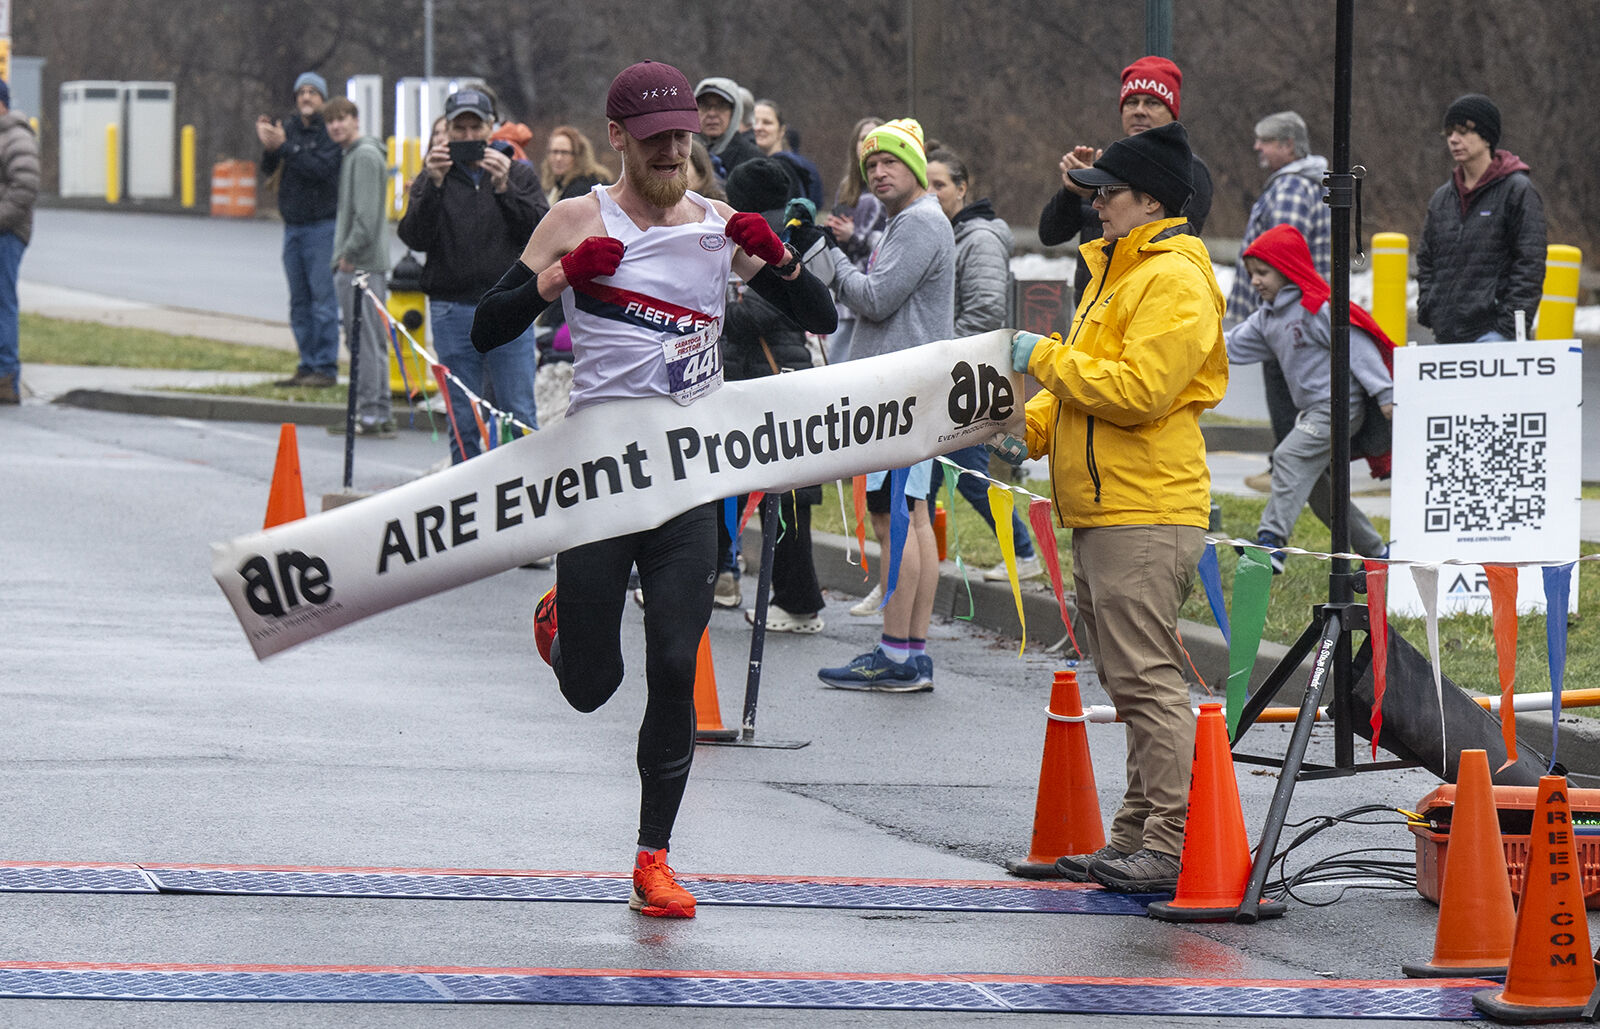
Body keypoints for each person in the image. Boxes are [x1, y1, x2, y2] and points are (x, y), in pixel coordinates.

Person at [469, 60, 835, 918]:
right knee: (591, 685)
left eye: (684, 136)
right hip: (601, 477)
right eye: (656, 137)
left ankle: (653, 860)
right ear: (619, 140)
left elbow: (816, 317)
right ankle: (561, 627)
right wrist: (556, 280)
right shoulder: (572, 217)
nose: (674, 150)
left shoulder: (717, 226)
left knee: (676, 663)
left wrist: (776, 258)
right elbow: (490, 326)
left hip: (689, 480)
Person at [1011, 122, 1228, 893]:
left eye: (1109, 192)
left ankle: (1170, 840)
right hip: (1108, 511)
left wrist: (1039, 356)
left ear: (1151, 200)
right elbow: (1086, 386)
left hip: (1145, 509)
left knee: (1145, 679)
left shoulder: (1172, 278)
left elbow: (1139, 393)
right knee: (1128, 675)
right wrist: (1028, 430)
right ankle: (1137, 831)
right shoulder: (1119, 270)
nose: (1096, 203)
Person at [816, 118, 954, 693]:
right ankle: (910, 650)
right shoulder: (915, 221)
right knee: (913, 516)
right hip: (912, 386)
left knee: (903, 519)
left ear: (915, 167)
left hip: (905, 390)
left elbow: (874, 300)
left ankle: (896, 654)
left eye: (889, 162)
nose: (877, 172)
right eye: (870, 164)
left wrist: (827, 260)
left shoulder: (920, 223)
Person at [1226, 224, 1392, 572]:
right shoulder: (1266, 318)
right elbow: (1226, 346)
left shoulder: (1316, 307)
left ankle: (1271, 544)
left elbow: (1358, 348)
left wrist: (1385, 393)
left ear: (1287, 269)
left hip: (1340, 407)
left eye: (1263, 272)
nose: (1255, 281)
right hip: (1313, 412)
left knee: (1286, 457)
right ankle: (1377, 554)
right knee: (1320, 491)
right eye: (1251, 274)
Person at [398, 86, 547, 463]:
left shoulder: (518, 173)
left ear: (491, 129)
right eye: (458, 129)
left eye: (474, 128)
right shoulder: (433, 176)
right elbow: (413, 236)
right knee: (463, 419)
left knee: (518, 412)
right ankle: (468, 501)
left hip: (508, 307)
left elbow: (540, 232)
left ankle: (523, 493)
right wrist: (431, 184)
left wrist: (503, 188)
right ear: (446, 131)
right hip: (452, 310)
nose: (467, 137)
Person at [924, 146, 1040, 582]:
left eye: (941, 185)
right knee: (926, 476)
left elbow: (986, 309)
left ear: (962, 188)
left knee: (968, 472)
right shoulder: (946, 233)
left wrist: (942, 355)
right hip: (947, 374)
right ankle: (907, 570)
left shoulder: (980, 238)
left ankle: (1025, 554)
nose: (933, 194)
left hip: (965, 375)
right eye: (927, 185)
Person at [722, 158, 828, 633]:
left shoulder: (774, 240)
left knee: (788, 500)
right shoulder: (783, 228)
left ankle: (799, 602)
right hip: (773, 376)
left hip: (780, 376)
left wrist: (716, 308)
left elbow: (762, 311)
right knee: (775, 498)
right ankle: (788, 595)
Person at [1037, 56, 1213, 305]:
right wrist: (1073, 190)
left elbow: (1164, 232)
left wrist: (1096, 193)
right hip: (1093, 308)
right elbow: (1050, 234)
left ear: (1172, 112)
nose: (1139, 110)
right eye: (1131, 102)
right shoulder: (1109, 165)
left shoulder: (1190, 170)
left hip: (1138, 303)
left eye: (1152, 103)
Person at [1226, 110, 1332, 491]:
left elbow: (1280, 254)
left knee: (1285, 394)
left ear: (1288, 146)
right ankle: (1297, 469)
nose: (1258, 147)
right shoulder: (1301, 184)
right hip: (1295, 311)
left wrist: (1272, 309)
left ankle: (1286, 472)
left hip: (1287, 313)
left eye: (1266, 140)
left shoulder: (1289, 189)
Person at [1416, 93, 1546, 344]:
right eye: (1450, 132)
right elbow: (1427, 260)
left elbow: (1530, 264)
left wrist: (1507, 326)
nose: (1454, 140)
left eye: (1464, 131)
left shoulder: (1517, 191)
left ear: (1486, 136)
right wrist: (1431, 308)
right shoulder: (1443, 198)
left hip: (1495, 335)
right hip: (1448, 336)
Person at [257, 71, 342, 388]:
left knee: (323, 301)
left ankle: (326, 367)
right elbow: (268, 169)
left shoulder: (330, 132)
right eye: (301, 92)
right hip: (292, 226)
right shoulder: (288, 128)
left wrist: (286, 148)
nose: (306, 97)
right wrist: (269, 147)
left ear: (322, 98)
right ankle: (306, 364)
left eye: (313, 92)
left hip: (322, 226)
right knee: (299, 302)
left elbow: (321, 170)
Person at [322, 96, 394, 437]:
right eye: (330, 121)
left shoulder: (363, 156)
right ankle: (378, 412)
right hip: (366, 264)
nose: (336, 126)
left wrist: (347, 256)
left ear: (355, 120)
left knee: (364, 341)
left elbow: (364, 219)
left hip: (361, 265)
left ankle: (370, 415)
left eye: (342, 118)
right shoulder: (355, 155)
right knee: (371, 340)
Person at [823, 117, 884, 368]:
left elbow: (885, 241)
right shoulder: (847, 188)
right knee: (838, 361)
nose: (868, 143)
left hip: (872, 284)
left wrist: (855, 235)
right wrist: (833, 231)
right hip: (844, 289)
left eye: (874, 136)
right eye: (862, 138)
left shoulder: (886, 192)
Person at [0, 78, 39, 405]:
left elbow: (25, 186)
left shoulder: (15, 136)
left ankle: (6, 377)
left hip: (7, 234)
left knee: (3, 303)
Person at [751, 99, 824, 208]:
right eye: (754, 122)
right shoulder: (749, 163)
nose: (758, 127)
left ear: (781, 130)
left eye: (767, 122)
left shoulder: (788, 168)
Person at [694, 77, 761, 178]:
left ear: (734, 113)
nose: (712, 113)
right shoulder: (685, 155)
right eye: (704, 105)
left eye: (721, 106)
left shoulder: (752, 160)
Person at [540, 125, 614, 207]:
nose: (558, 158)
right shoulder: (560, 185)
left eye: (564, 152)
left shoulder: (581, 189)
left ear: (578, 156)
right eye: (554, 152)